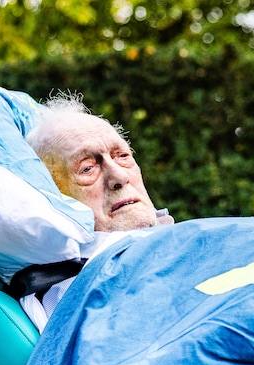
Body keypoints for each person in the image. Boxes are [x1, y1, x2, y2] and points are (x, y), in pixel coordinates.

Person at [20, 96, 173, 330]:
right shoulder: (85, 293)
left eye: (122, 156)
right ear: (52, 196)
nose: (120, 177)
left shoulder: (178, 241)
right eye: (87, 168)